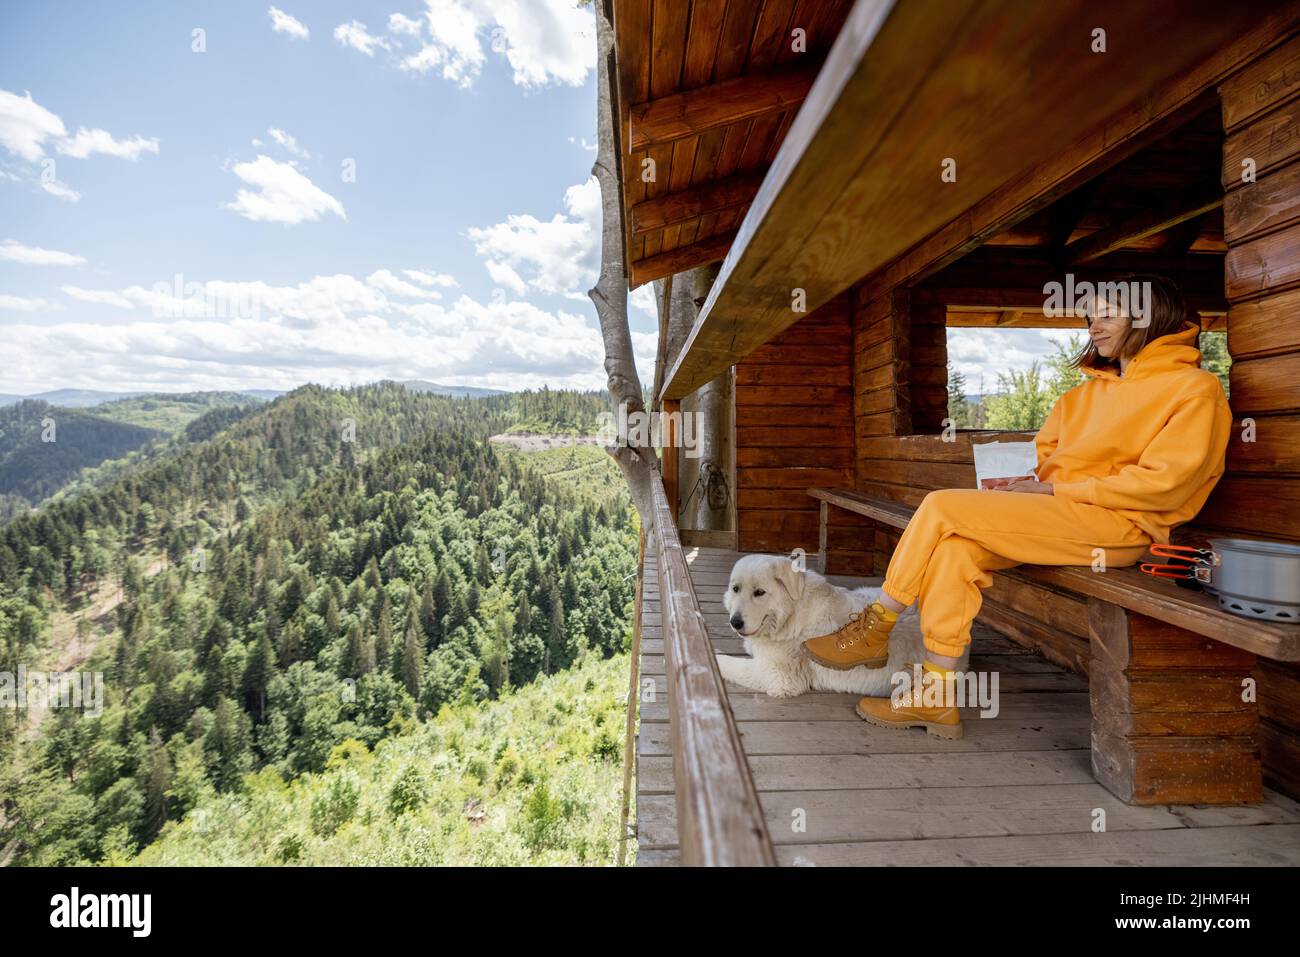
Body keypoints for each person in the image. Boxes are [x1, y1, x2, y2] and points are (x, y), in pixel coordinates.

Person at [801, 273, 1233, 738]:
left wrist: (1055, 491)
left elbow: (1165, 484)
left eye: (1107, 314)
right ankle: (935, 696)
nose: (1093, 326)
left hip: (1122, 527)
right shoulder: (1082, 395)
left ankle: (875, 626)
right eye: (1090, 316)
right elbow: (1050, 462)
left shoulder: (1194, 389)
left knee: (941, 507)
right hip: (1064, 518)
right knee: (955, 551)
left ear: (1148, 315)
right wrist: (1028, 484)